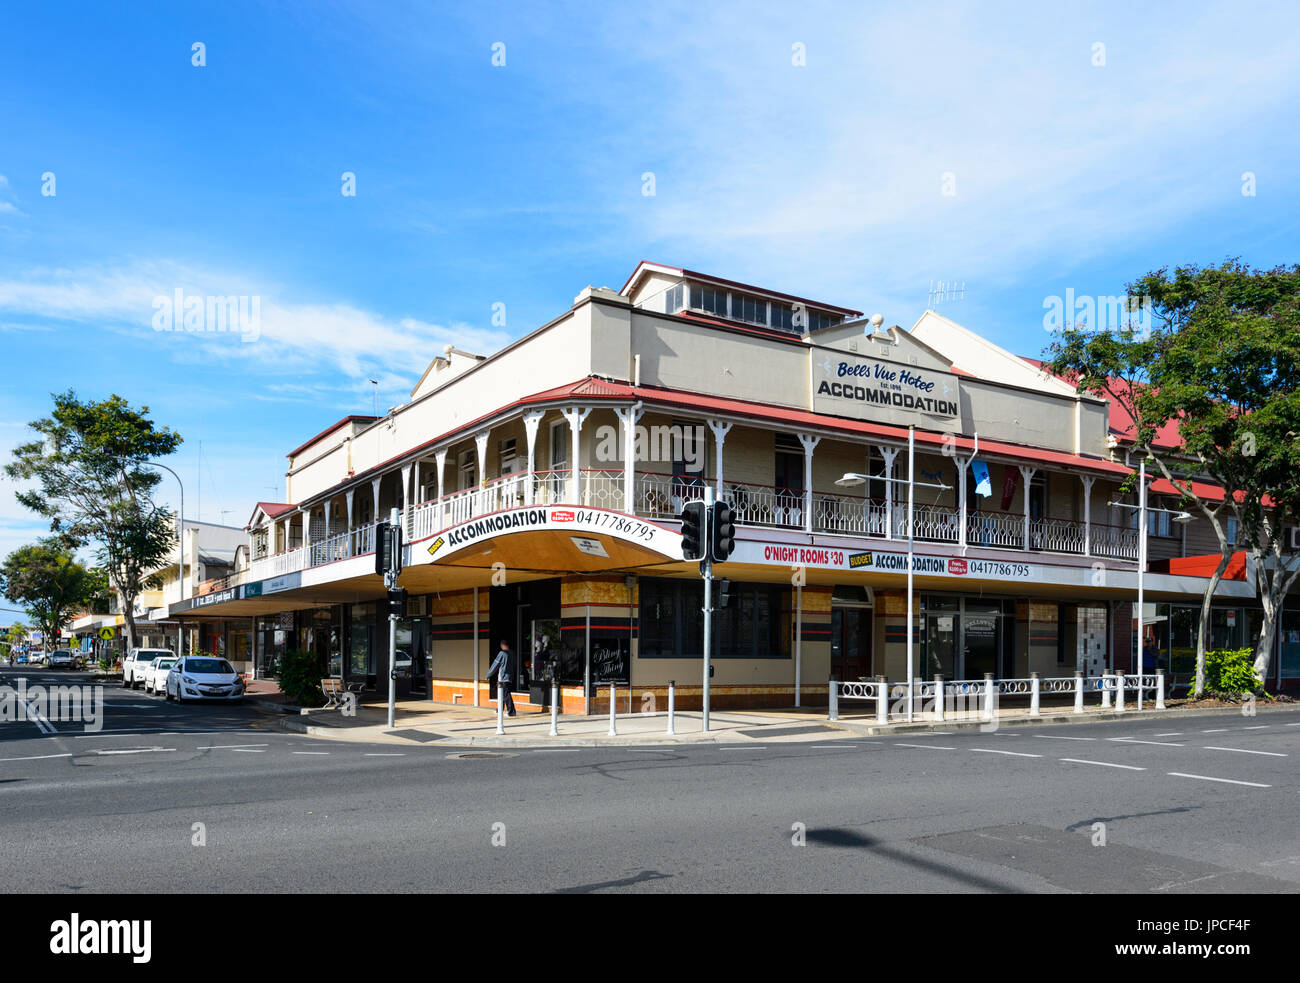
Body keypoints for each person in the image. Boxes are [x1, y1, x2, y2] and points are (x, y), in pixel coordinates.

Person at [487, 638, 516, 717]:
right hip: (510, 677)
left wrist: (488, 675)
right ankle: (499, 710)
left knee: (505, 694)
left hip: (503, 677)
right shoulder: (512, 653)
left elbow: (495, 665)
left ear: (502, 645)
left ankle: (511, 712)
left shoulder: (502, 653)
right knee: (502, 694)